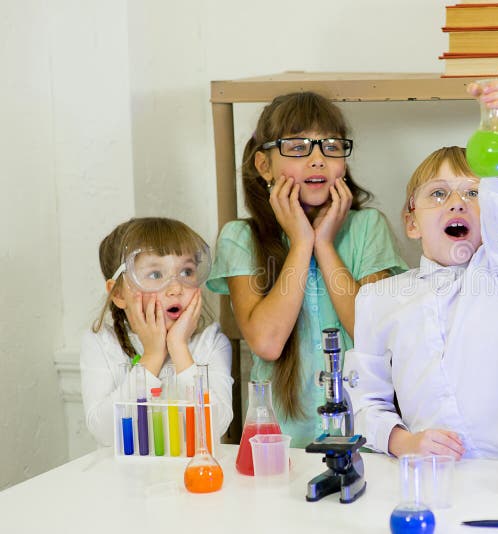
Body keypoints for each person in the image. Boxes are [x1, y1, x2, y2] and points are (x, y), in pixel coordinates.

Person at [344, 66, 498, 460]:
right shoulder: (377, 298)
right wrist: (403, 442)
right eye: (437, 194)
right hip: (429, 476)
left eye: (473, 193)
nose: (456, 202)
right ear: (412, 222)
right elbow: (364, 403)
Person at [206, 92, 407, 447]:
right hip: (280, 444)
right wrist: (301, 244)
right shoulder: (240, 237)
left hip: (363, 436)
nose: (318, 160)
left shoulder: (368, 227)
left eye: (330, 146)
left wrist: (325, 245)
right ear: (263, 165)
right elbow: (267, 343)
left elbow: (371, 334)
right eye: (297, 147)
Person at [81, 217, 234, 447]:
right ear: (119, 294)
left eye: (187, 271)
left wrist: (179, 349)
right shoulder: (101, 343)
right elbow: (104, 431)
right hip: (127, 480)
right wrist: (152, 356)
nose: (176, 288)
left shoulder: (211, 343)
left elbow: (216, 426)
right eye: (155, 275)